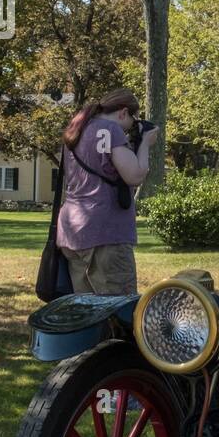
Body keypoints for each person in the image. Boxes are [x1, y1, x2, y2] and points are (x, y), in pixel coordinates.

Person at [56, 88, 159, 295]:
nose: (131, 127)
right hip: (105, 233)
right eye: (134, 120)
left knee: (86, 306)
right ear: (123, 112)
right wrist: (145, 143)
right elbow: (135, 176)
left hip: (72, 230)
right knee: (118, 304)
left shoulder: (78, 128)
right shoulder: (111, 130)